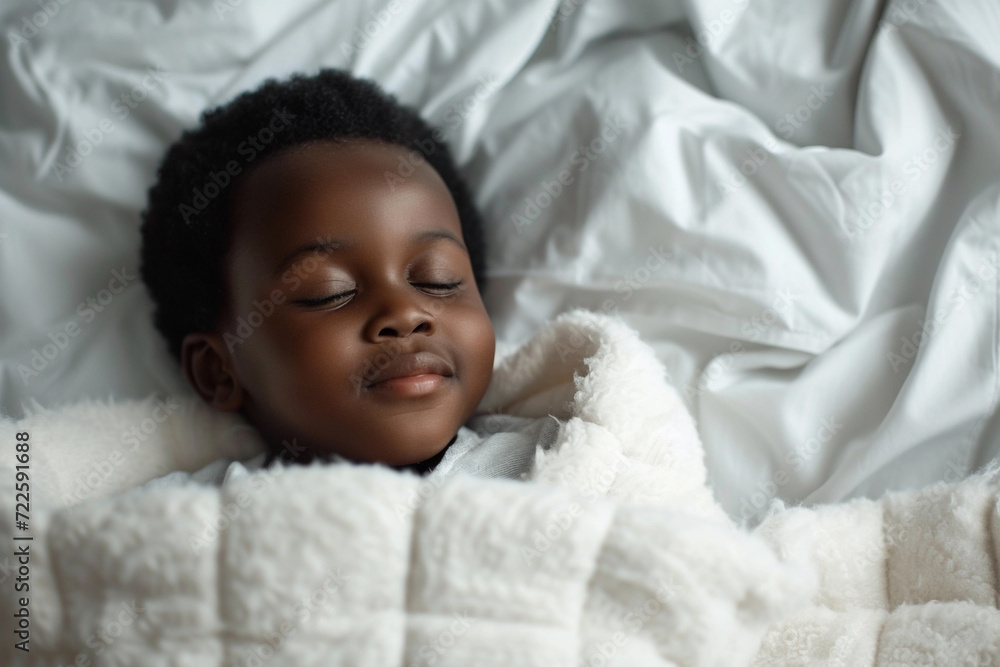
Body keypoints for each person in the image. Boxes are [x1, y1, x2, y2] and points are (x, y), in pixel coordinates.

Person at [139, 68, 557, 487]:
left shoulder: (558, 461)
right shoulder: (188, 518)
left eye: (438, 281)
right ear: (219, 371)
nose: (405, 312)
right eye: (329, 293)